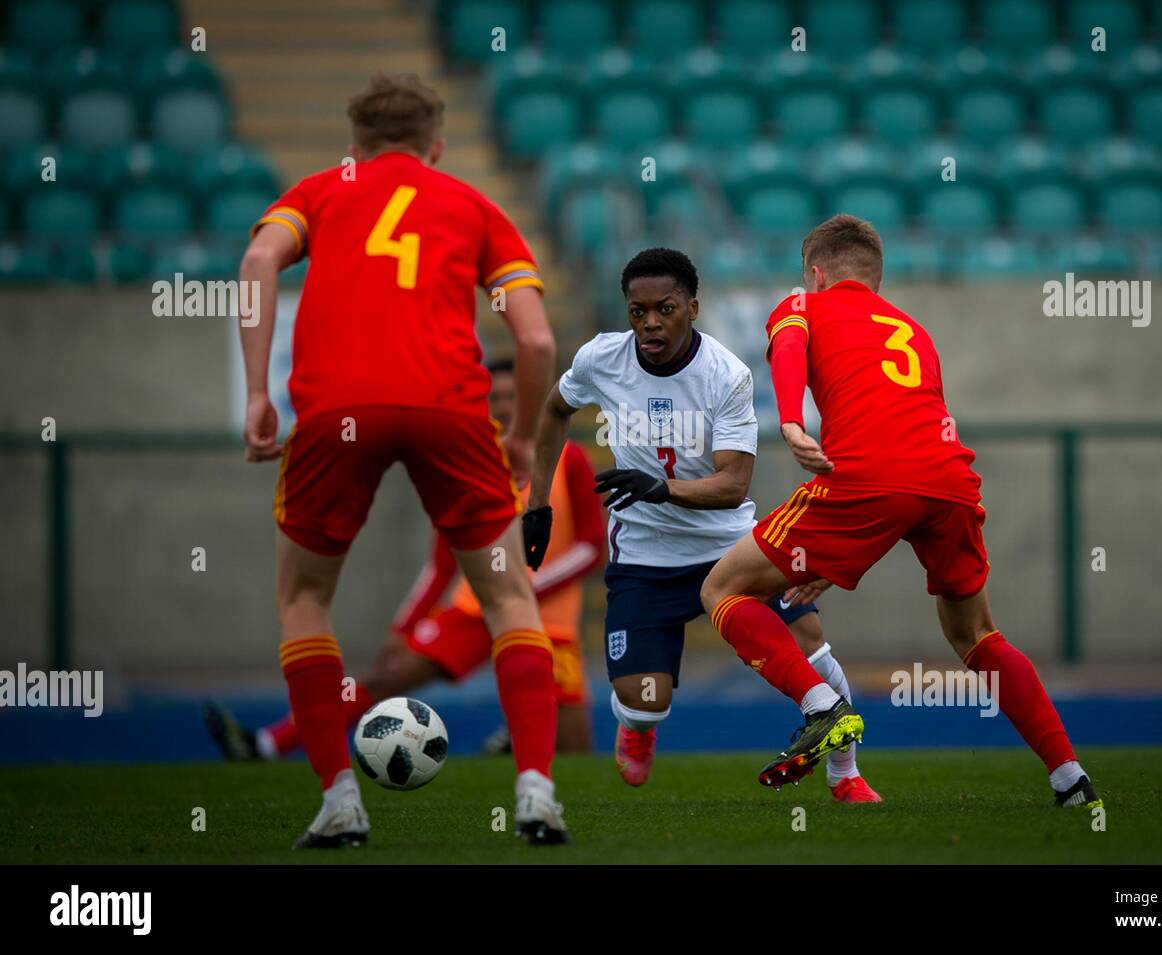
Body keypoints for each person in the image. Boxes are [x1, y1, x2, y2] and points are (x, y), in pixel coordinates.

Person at [236, 73, 568, 847]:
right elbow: (540, 339)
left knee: (305, 599)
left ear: (356, 144)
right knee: (509, 598)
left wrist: (259, 392)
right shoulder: (475, 207)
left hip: (333, 413)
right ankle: (536, 792)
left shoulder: (320, 191)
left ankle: (340, 800)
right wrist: (520, 435)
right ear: (437, 146)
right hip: (449, 410)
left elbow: (257, 265)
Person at [700, 214, 1101, 808]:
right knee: (977, 635)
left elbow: (787, 345)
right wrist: (828, 557)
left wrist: (788, 420)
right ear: (875, 276)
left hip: (865, 477)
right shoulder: (914, 330)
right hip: (950, 482)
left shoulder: (802, 305)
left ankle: (821, 706)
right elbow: (906, 449)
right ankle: (1069, 778)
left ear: (815, 273)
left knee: (723, 590)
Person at [525, 247, 879, 803]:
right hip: (644, 554)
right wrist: (537, 504)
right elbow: (552, 411)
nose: (649, 323)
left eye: (663, 309)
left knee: (812, 646)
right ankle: (639, 730)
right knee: (645, 701)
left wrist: (659, 487)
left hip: (727, 546)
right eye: (637, 312)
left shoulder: (727, 374)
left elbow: (733, 484)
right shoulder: (600, 360)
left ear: (691, 306)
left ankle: (846, 775)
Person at [205, 360, 603, 761]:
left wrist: (526, 589)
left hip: (548, 620)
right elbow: (442, 563)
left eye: (512, 397)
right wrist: (405, 626)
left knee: (574, 750)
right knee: (386, 676)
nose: (503, 407)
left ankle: (516, 748)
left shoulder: (568, 459)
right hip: (476, 608)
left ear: (531, 401)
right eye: (493, 398)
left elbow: (591, 547)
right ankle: (266, 746)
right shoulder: (474, 466)